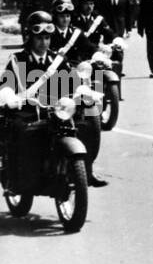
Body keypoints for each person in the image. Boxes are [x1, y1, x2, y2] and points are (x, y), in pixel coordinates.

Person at [2, 10, 106, 187]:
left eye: (47, 38)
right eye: (39, 38)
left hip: (55, 110)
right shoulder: (18, 59)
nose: (44, 42)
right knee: (25, 135)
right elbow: (6, 84)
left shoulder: (56, 59)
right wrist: (11, 97)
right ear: (30, 38)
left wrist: (83, 91)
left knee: (84, 125)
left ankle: (86, 170)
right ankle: (22, 180)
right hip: (28, 112)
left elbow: (72, 80)